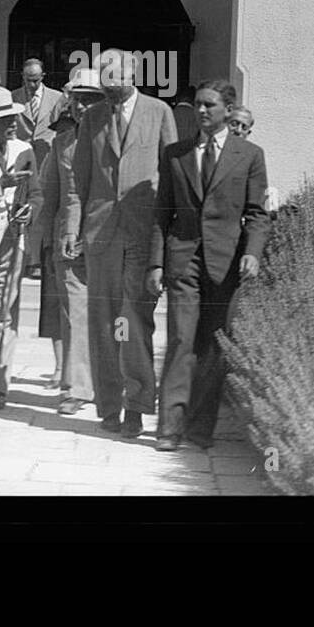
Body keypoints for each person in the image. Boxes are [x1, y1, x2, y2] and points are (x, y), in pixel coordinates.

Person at [149, 79, 269, 451]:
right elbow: (161, 213)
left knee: (214, 344)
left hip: (227, 262)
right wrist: (156, 264)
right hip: (183, 258)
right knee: (181, 340)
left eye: (209, 106)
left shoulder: (249, 155)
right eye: (198, 105)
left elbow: (258, 214)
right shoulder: (175, 154)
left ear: (228, 110)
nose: (201, 111)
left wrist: (252, 251)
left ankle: (200, 429)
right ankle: (169, 429)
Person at [64, 48, 177, 438]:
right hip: (101, 235)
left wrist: (166, 237)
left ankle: (137, 405)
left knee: (133, 322)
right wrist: (71, 228)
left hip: (143, 233)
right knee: (104, 324)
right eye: (106, 88)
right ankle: (109, 405)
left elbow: (172, 178)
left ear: (134, 78)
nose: (110, 95)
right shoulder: (91, 118)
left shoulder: (159, 113)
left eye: (117, 87)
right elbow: (79, 181)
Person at [36, 67, 104, 414]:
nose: (80, 107)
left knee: (107, 314)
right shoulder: (60, 143)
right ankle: (76, 388)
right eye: (76, 100)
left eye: (89, 100)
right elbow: (50, 195)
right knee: (74, 313)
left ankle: (105, 384)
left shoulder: (114, 140)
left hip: (107, 239)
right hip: (67, 240)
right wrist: (41, 244)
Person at [0, 85, 42, 409]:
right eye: (5, 119)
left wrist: (30, 209)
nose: (13, 122)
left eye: (14, 116)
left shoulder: (24, 149)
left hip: (14, 239)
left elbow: (37, 192)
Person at [12, 58, 64, 280]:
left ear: (42, 77)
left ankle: (35, 261)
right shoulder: (13, 97)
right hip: (22, 161)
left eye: (35, 80)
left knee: (40, 210)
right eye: (27, 80)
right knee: (19, 208)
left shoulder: (57, 98)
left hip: (46, 161)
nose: (31, 85)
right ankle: (20, 259)